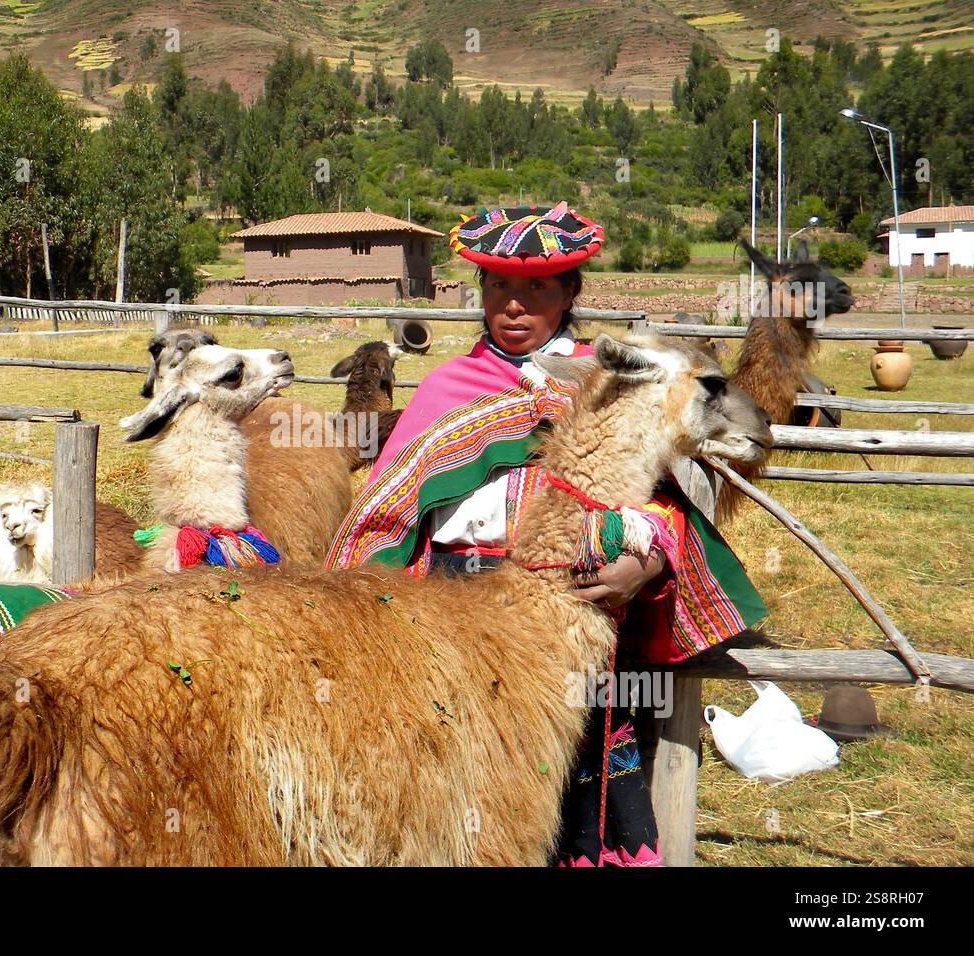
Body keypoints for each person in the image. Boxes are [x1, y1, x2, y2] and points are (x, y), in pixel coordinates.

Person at [326, 203, 767, 866]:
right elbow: (389, 515)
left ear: (569, 294)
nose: (514, 305)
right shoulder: (450, 387)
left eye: (536, 289)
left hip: (574, 611)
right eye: (499, 287)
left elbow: (680, 503)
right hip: (454, 617)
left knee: (577, 783)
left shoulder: (621, 381)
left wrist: (644, 563)